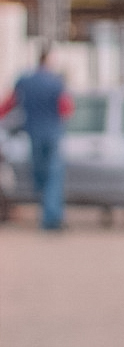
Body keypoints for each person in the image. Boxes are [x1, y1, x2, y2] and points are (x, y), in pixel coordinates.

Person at [1, 44, 72, 230]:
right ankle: (51, 217)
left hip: (33, 133)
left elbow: (9, 103)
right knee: (53, 176)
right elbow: (66, 108)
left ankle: (47, 211)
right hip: (52, 134)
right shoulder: (56, 82)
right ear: (48, 59)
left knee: (40, 174)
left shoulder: (25, 80)